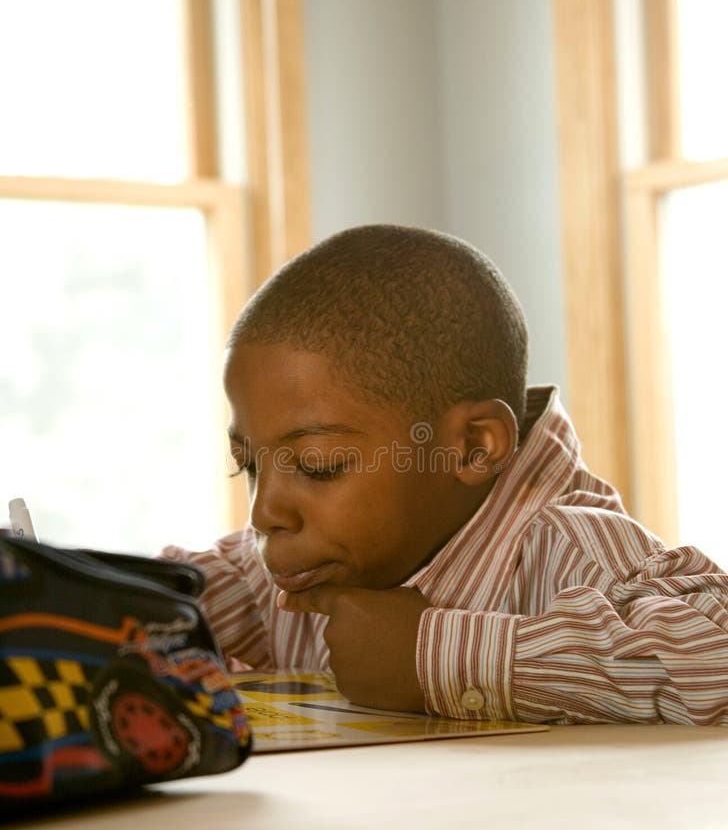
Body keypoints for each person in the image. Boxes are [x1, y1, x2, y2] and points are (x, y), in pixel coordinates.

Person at [163, 224, 728, 725]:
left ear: (472, 448)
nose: (265, 513)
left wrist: (435, 655)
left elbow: (715, 657)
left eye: (319, 465)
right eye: (251, 466)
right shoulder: (292, 571)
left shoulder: (572, 549)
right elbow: (161, 602)